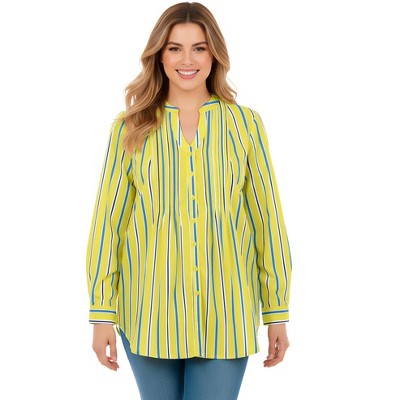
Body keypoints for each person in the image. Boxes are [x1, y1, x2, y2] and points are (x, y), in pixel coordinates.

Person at [86, 2, 292, 399]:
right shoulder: (130, 128)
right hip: (148, 311)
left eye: (199, 48)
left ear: (214, 54)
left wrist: (276, 310)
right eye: (174, 48)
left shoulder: (246, 125)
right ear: (159, 55)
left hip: (226, 310)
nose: (187, 60)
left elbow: (267, 220)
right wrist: (102, 312)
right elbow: (108, 224)